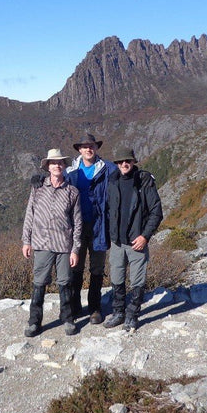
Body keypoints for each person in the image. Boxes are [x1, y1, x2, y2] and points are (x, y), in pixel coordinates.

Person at [21, 148, 82, 337]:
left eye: (60, 162)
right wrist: (26, 240)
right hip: (41, 243)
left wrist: (75, 249)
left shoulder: (72, 192)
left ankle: (68, 319)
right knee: (39, 283)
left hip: (64, 245)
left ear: (64, 166)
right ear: (47, 166)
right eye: (53, 163)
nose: (57, 165)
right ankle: (34, 322)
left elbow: (78, 221)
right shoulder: (38, 188)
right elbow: (29, 214)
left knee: (65, 282)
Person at [103, 147, 163, 332]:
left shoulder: (144, 181)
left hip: (136, 242)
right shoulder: (112, 181)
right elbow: (107, 210)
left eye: (127, 161)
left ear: (133, 161)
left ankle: (132, 315)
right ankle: (119, 312)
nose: (124, 164)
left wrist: (145, 236)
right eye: (120, 162)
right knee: (117, 278)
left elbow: (156, 212)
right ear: (117, 164)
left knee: (137, 281)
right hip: (117, 242)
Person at [65, 133, 117, 325]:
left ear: (96, 148)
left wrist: (143, 176)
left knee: (97, 268)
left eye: (92, 146)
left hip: (99, 226)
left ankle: (95, 308)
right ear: (79, 149)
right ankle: (75, 305)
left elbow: (126, 174)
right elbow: (55, 181)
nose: (89, 149)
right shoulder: (71, 171)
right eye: (85, 146)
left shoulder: (108, 169)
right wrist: (39, 180)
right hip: (76, 227)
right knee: (75, 267)